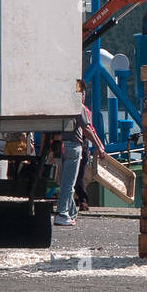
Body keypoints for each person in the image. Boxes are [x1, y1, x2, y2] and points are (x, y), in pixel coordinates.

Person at [54, 80, 105, 227]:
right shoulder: (79, 107)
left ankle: (70, 213)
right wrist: (99, 147)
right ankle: (62, 213)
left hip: (61, 145)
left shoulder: (63, 106)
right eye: (82, 93)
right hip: (73, 146)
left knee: (65, 181)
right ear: (78, 93)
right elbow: (87, 129)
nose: (83, 96)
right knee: (68, 184)